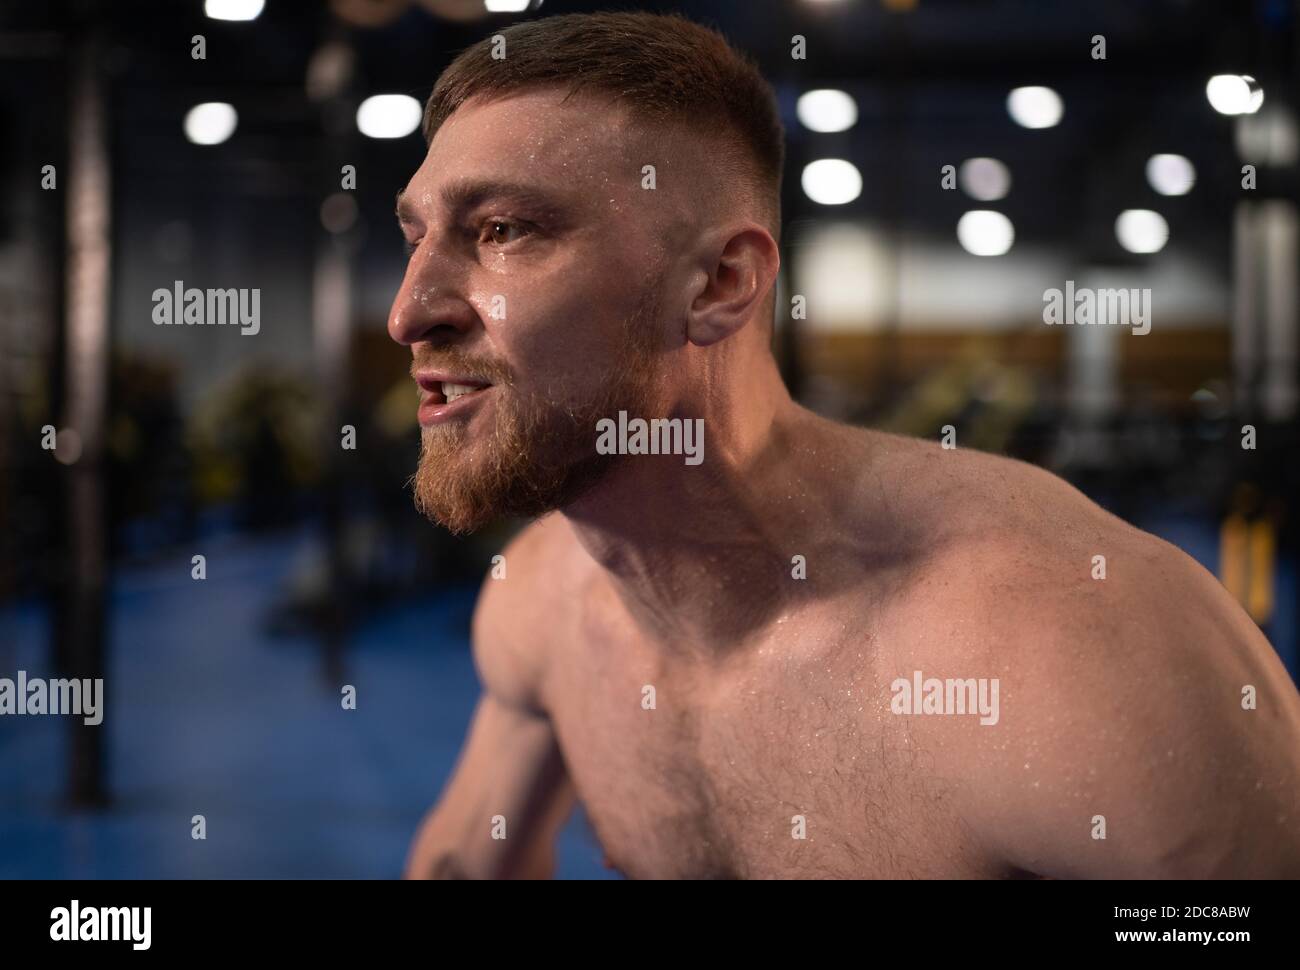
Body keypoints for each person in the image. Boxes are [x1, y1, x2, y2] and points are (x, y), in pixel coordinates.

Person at [390, 11, 1300, 878]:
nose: (407, 313)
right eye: (416, 236)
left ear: (719, 284)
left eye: (501, 230)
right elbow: (465, 861)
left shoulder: (1081, 651)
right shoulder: (543, 604)